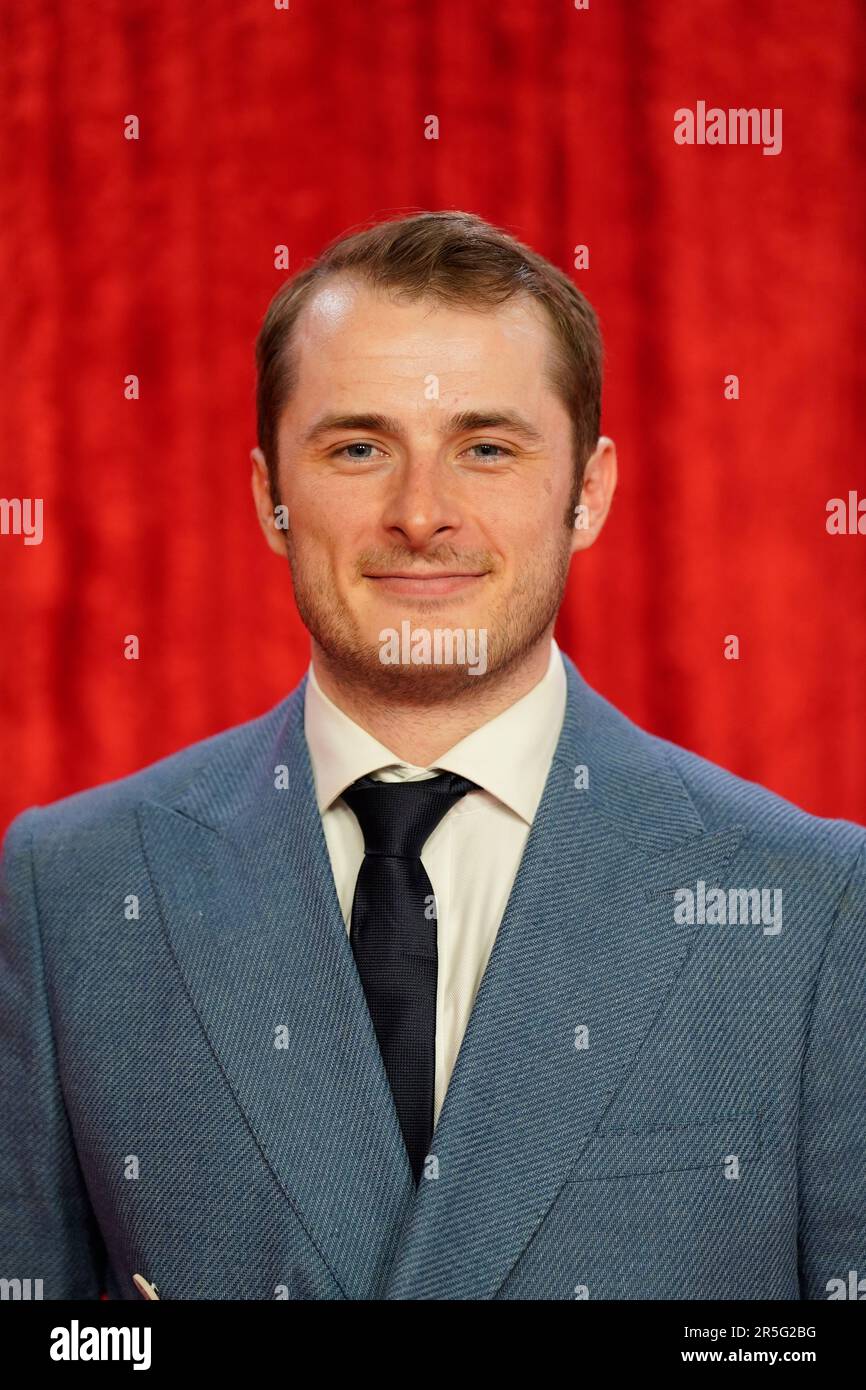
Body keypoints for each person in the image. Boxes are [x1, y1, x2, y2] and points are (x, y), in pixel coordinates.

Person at [1, 211, 863, 1301]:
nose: (420, 514)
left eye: (485, 449)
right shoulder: (72, 889)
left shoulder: (807, 904)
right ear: (269, 493)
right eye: (358, 448)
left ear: (586, 492)